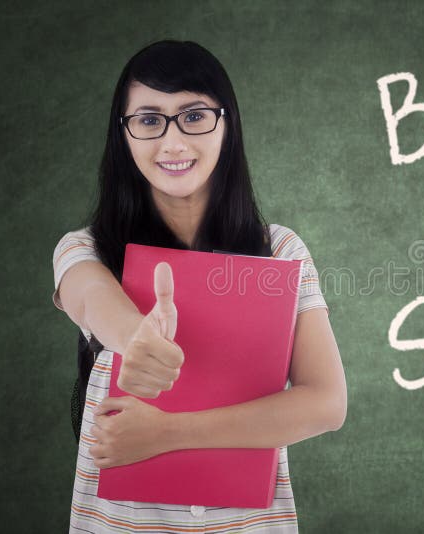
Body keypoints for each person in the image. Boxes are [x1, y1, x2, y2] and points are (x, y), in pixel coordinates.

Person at [51, 40, 347, 533]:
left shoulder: (278, 250)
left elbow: (327, 403)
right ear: (122, 135)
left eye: (193, 116)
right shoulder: (88, 248)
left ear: (227, 125)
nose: (173, 143)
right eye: (149, 120)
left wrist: (168, 433)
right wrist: (134, 339)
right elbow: (89, 296)